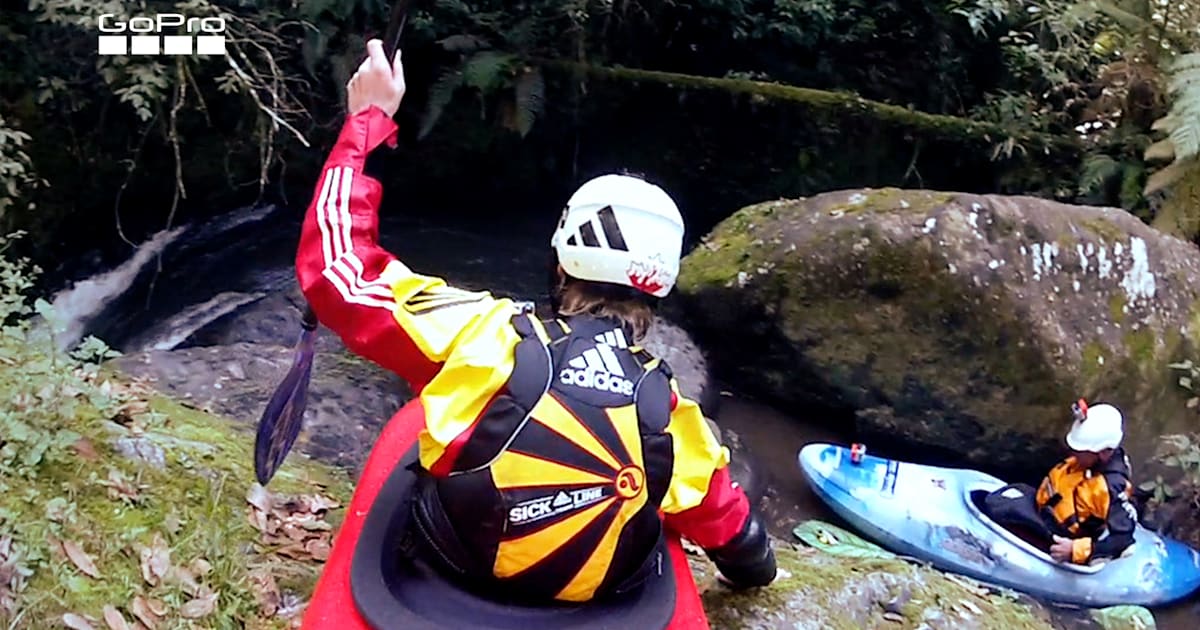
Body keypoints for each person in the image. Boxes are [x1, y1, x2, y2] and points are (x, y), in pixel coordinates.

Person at [295, 39, 776, 604]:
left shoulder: (484, 335)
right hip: (583, 596)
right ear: (658, 286)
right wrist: (753, 563)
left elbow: (338, 270)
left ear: (560, 260)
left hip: (452, 570)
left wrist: (367, 122)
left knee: (416, 424)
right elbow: (732, 527)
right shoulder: (667, 409)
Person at [1038, 400, 1137, 565]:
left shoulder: (1109, 487)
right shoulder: (1085, 461)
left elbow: (1122, 539)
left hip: (1061, 537)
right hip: (1044, 512)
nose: (1073, 453)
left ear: (1104, 452)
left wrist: (1074, 549)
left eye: (1080, 451)